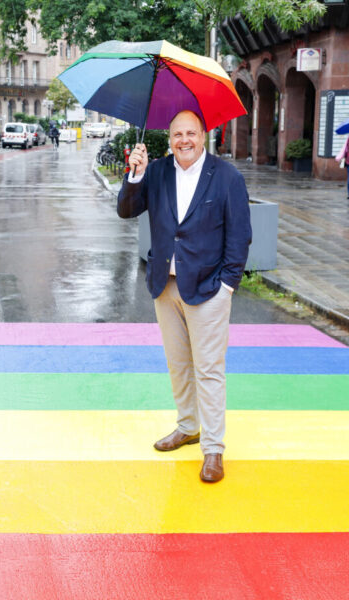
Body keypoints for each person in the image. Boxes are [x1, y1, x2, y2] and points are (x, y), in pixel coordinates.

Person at [117, 110, 252, 483]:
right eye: (177, 134)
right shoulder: (157, 171)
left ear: (204, 135)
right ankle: (188, 426)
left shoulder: (227, 178)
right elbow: (126, 210)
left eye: (191, 133)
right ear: (169, 138)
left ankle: (213, 449)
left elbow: (239, 237)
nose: (184, 141)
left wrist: (227, 286)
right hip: (165, 286)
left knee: (208, 370)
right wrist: (136, 173)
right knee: (178, 365)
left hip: (209, 289)